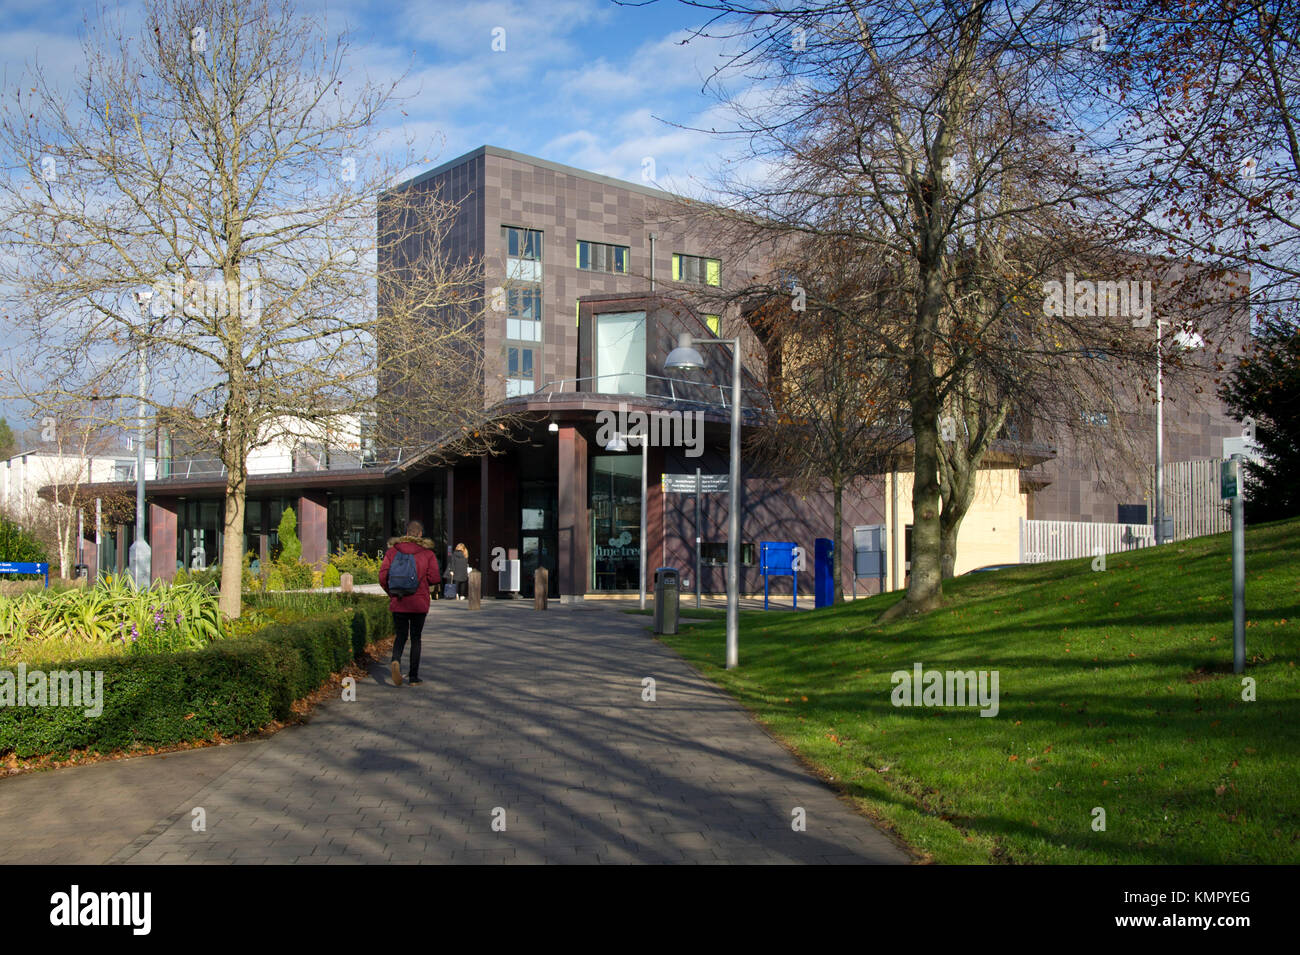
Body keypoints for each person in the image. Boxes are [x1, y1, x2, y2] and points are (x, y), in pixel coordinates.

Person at [378, 520, 441, 686]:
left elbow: (382, 576)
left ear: (406, 533)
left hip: (398, 601)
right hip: (419, 603)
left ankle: (396, 660)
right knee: (416, 638)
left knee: (400, 635)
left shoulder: (393, 552)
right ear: (420, 534)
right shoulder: (427, 553)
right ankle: (413, 677)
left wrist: (391, 592)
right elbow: (435, 578)